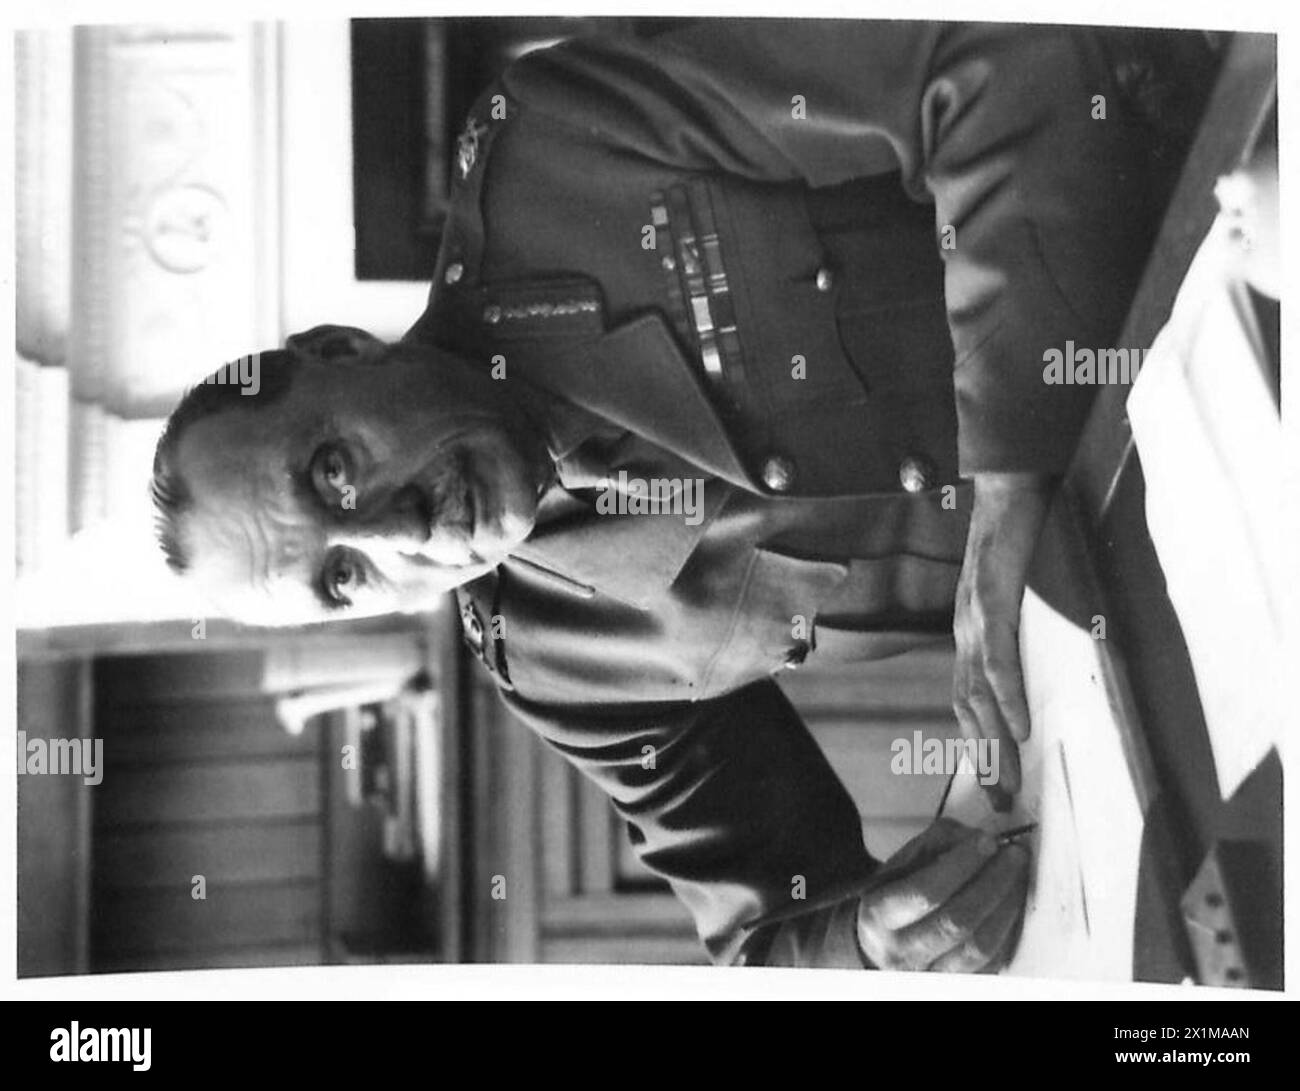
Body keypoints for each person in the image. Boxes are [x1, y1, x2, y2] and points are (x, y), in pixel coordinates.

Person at [150, 20, 1210, 968]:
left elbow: (987, 56)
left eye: (333, 469)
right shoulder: (560, 655)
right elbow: (766, 935)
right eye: (343, 575)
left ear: (342, 350)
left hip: (1220, 269)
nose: (398, 527)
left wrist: (1012, 481)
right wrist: (870, 940)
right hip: (1183, 631)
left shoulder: (558, 146)